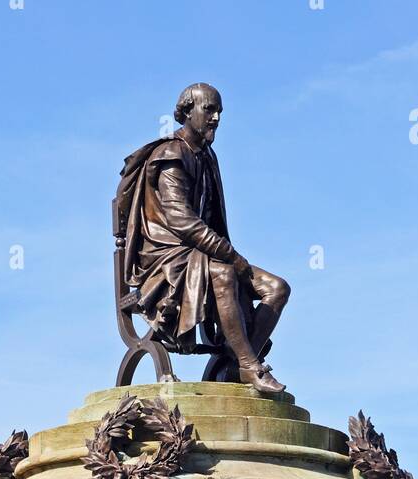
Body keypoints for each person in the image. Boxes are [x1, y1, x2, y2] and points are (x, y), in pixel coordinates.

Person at [117, 83, 290, 396]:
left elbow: (211, 220)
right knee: (225, 273)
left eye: (220, 111)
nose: (216, 118)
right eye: (209, 109)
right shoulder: (170, 154)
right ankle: (250, 365)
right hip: (164, 260)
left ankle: (236, 357)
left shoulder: (208, 157)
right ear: (187, 111)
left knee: (276, 288)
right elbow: (182, 221)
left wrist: (230, 258)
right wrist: (231, 256)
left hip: (201, 254)